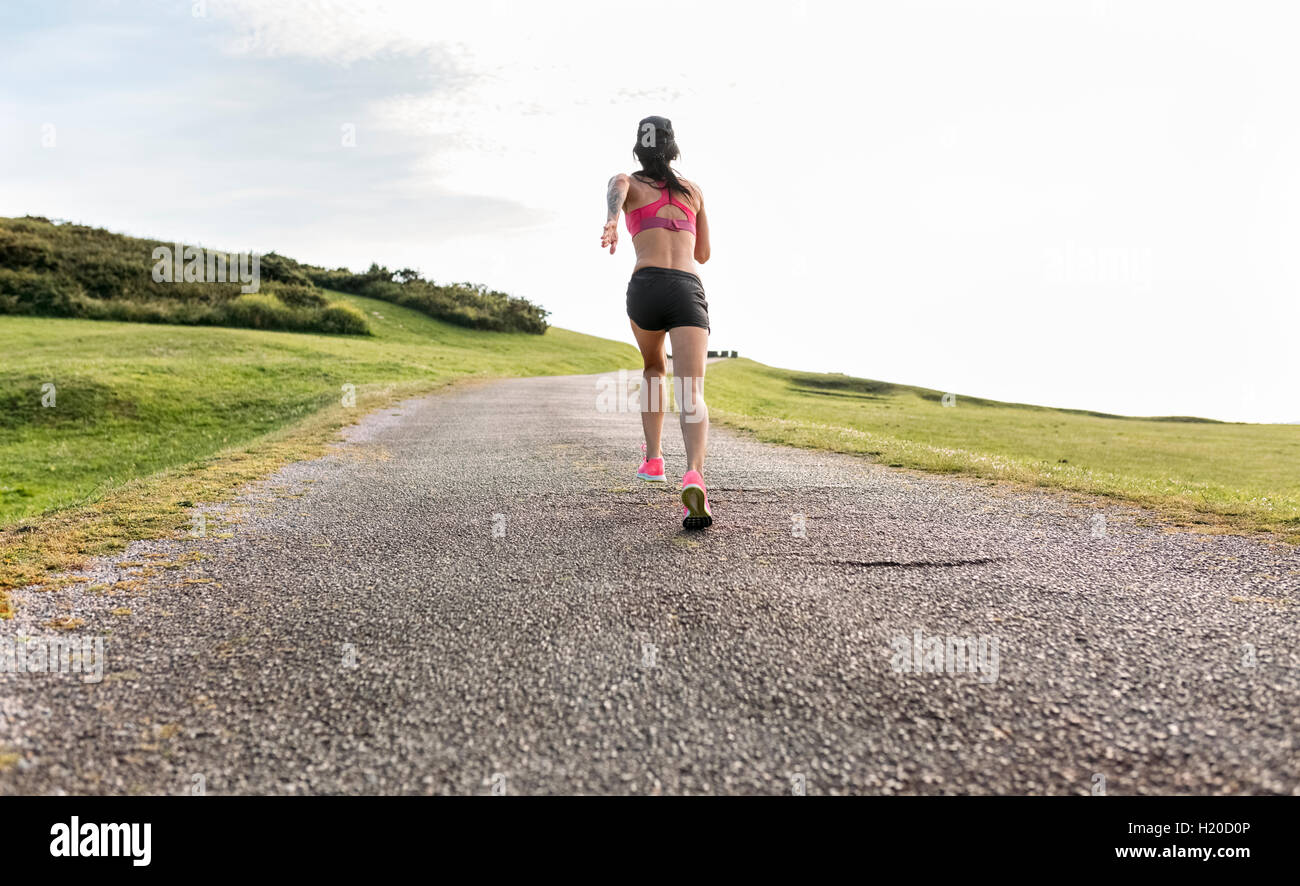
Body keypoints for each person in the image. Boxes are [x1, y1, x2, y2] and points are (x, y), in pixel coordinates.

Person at [601, 115, 713, 529]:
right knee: (691, 390)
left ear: (638, 149)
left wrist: (614, 220)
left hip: (645, 285)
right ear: (673, 148)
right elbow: (702, 255)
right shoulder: (693, 192)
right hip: (686, 288)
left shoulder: (628, 182)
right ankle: (695, 475)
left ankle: (653, 460)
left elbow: (617, 189)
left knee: (652, 367)